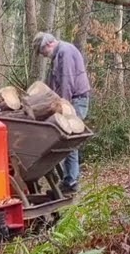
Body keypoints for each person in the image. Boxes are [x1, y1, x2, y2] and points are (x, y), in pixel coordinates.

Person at [34, 32, 90, 191]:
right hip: (72, 100)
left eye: (42, 52)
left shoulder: (64, 52)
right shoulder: (60, 53)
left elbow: (67, 80)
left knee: (69, 138)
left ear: (48, 44)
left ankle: (71, 181)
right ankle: (68, 179)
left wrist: (64, 105)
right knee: (66, 139)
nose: (44, 56)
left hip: (75, 101)